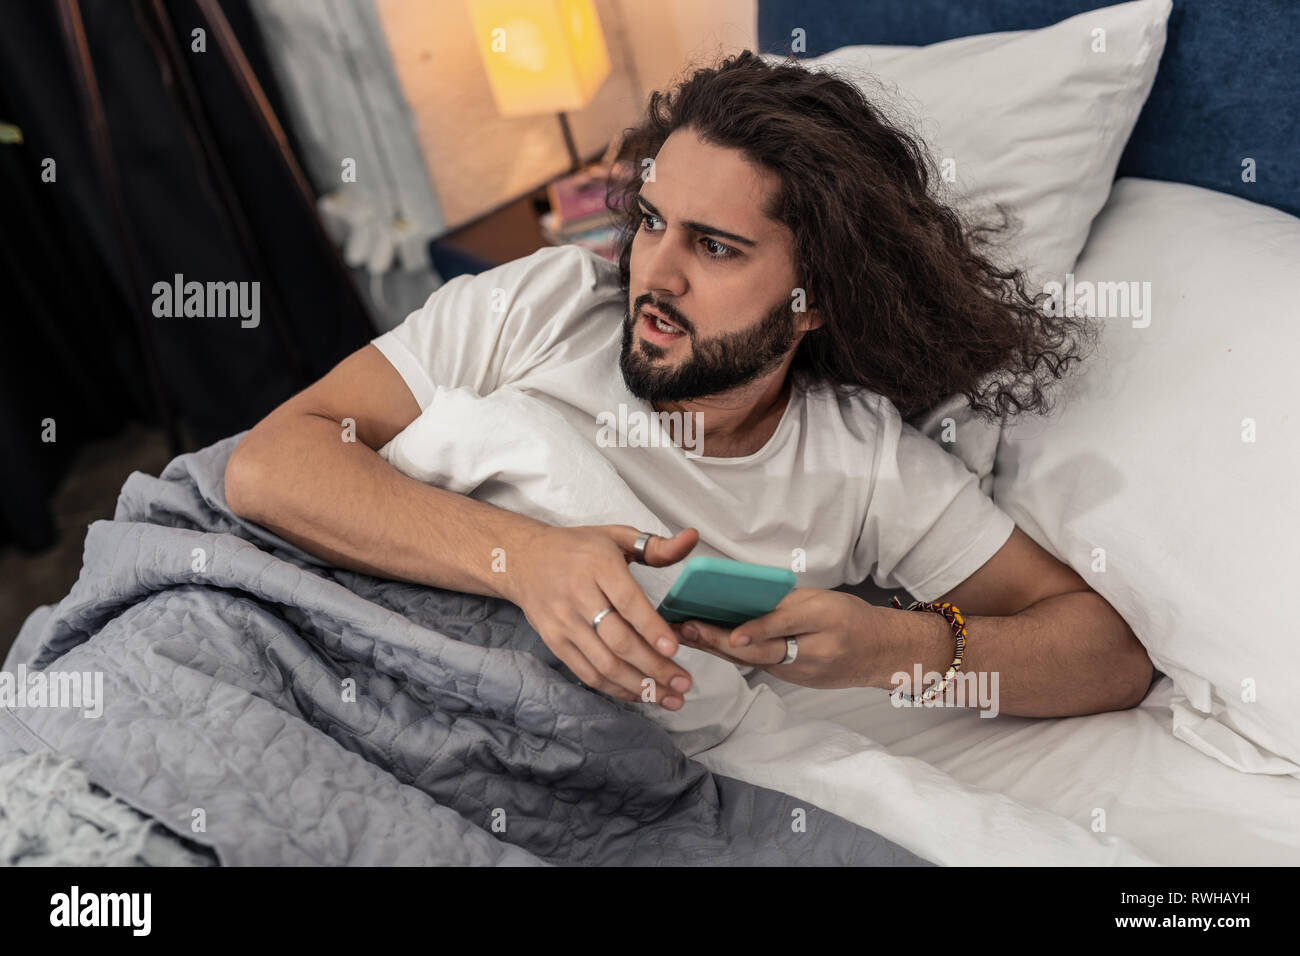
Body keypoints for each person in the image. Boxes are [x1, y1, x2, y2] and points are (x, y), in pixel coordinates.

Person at [225, 52, 1154, 719]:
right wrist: (522, 559)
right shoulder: (542, 304)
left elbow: (1105, 655)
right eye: (652, 221)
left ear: (816, 301)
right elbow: (271, 464)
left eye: (714, 247)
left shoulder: (862, 466)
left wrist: (895, 649)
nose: (652, 275)